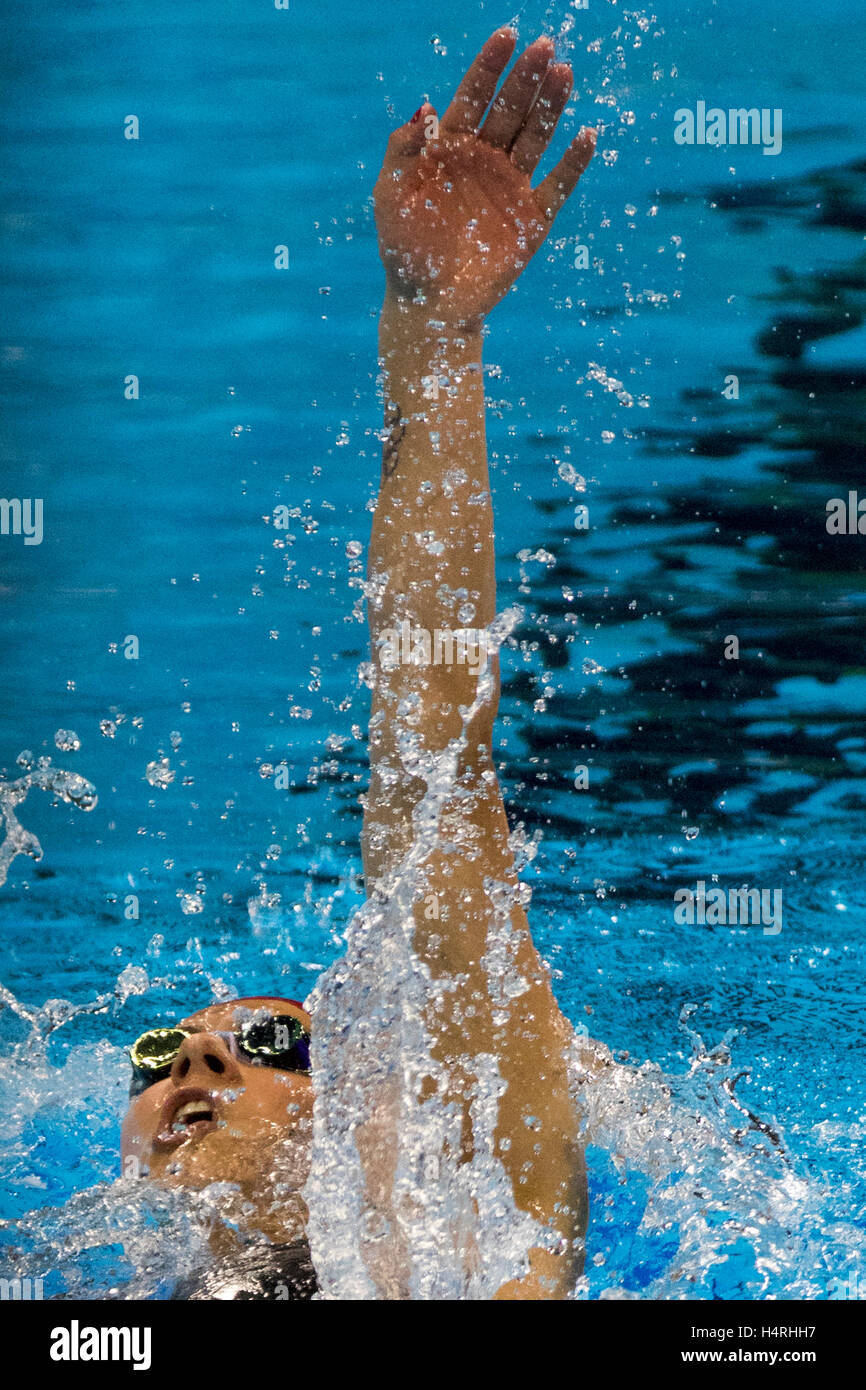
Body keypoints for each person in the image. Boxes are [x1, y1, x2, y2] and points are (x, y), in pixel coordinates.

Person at [120, 26, 597, 1301]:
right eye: (156, 1053)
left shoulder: (481, 1270)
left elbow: (433, 777)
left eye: (271, 1043)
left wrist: (433, 344)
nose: (192, 1070)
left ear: (375, 1120)